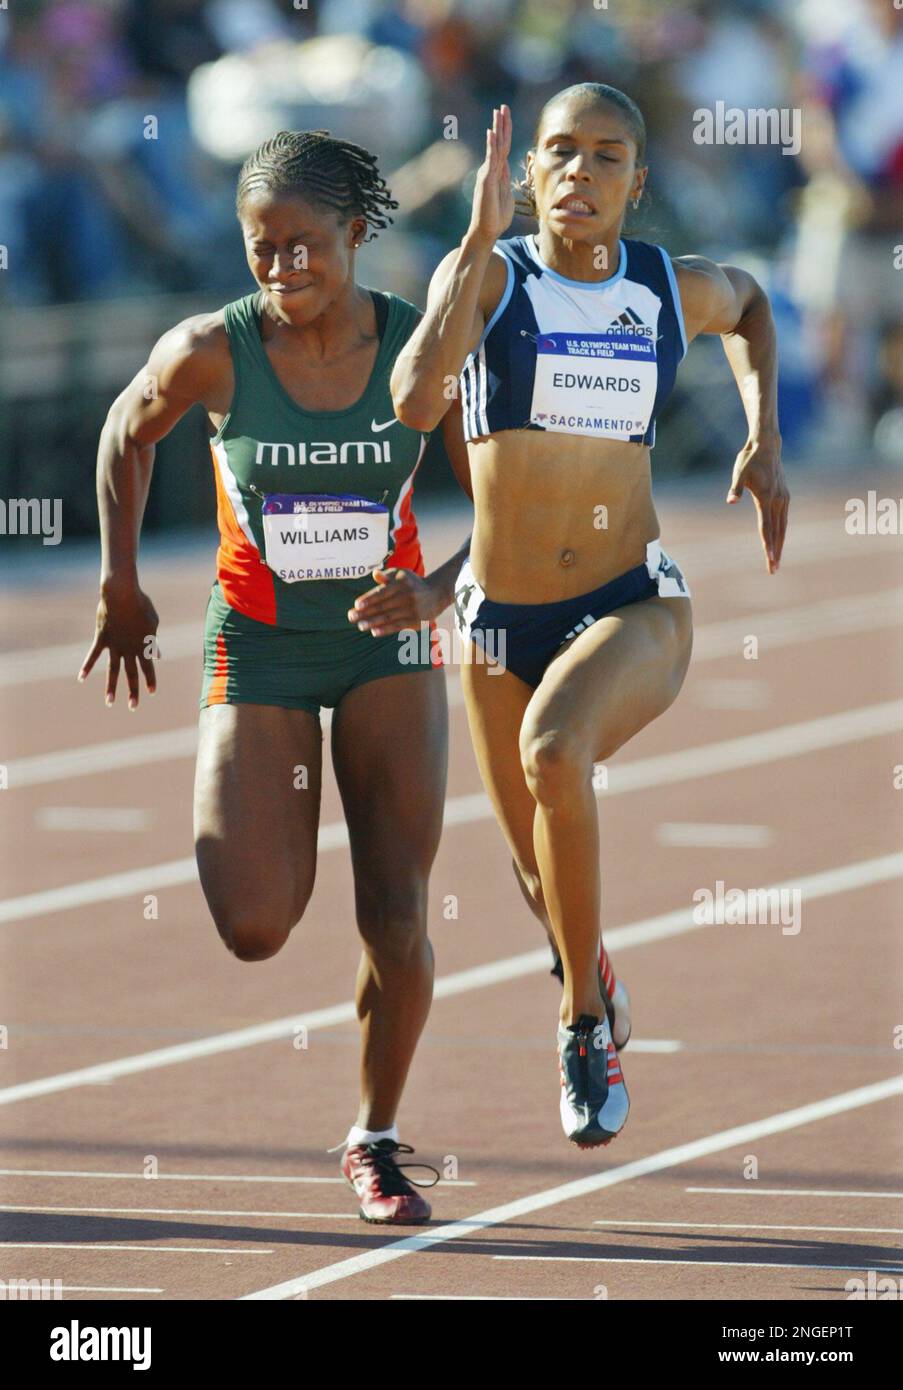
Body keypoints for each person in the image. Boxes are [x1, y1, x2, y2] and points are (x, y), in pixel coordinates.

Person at [79, 129, 471, 1221]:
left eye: (307, 246)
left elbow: (513, 494)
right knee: (255, 921)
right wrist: (121, 583)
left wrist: (438, 590)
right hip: (257, 638)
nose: (285, 268)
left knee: (396, 906)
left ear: (356, 233)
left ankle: (377, 1139)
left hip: (385, 636)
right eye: (264, 250)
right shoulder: (213, 350)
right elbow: (127, 429)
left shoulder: (413, 352)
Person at [390, 88, 789, 1148]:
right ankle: (591, 966)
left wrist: (765, 434)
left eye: (605, 156)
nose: (579, 172)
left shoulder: (664, 285)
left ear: (636, 184)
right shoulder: (488, 278)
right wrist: (473, 242)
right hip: (498, 621)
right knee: (537, 880)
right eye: (559, 153)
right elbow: (415, 403)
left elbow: (752, 303)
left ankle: (580, 1026)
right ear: (528, 176)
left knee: (555, 752)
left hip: (631, 602)